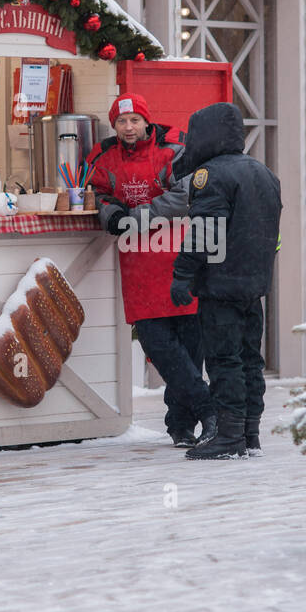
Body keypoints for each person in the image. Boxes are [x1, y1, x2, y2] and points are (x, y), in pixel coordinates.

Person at [87, 93, 217, 449]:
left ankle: (180, 426)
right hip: (139, 263)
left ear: (147, 121)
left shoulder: (175, 149)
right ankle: (209, 411)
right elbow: (97, 190)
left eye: (134, 121)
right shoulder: (105, 156)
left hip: (180, 258)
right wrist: (109, 211)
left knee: (190, 346)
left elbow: (186, 194)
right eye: (121, 122)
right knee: (158, 344)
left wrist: (136, 217)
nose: (128, 128)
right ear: (114, 125)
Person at [171, 102, 282, 460]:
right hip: (254, 286)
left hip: (220, 287)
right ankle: (250, 433)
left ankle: (229, 436)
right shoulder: (264, 173)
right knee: (251, 359)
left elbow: (205, 231)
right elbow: (272, 237)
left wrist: (183, 275)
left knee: (224, 360)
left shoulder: (211, 176)